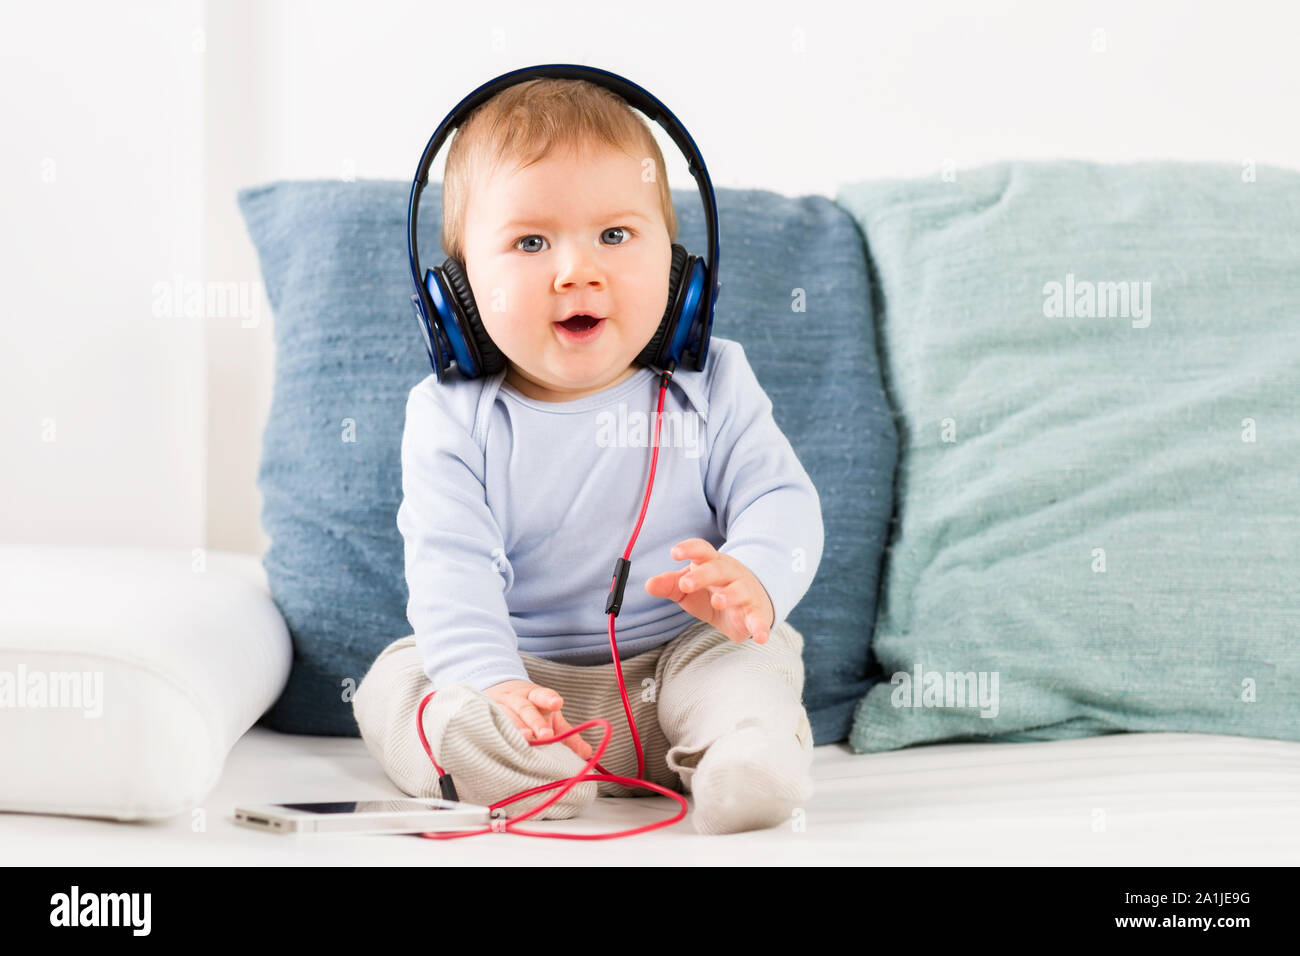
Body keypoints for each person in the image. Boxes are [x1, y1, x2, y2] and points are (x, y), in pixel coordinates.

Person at [352, 78, 823, 835]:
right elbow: (451, 569)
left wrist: (758, 578)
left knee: (753, 662)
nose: (578, 271)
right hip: (526, 689)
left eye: (615, 235)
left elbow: (783, 501)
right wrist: (493, 683)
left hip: (682, 664)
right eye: (531, 243)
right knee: (398, 679)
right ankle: (517, 768)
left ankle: (746, 760)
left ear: (679, 274)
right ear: (458, 296)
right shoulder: (450, 418)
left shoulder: (717, 383)